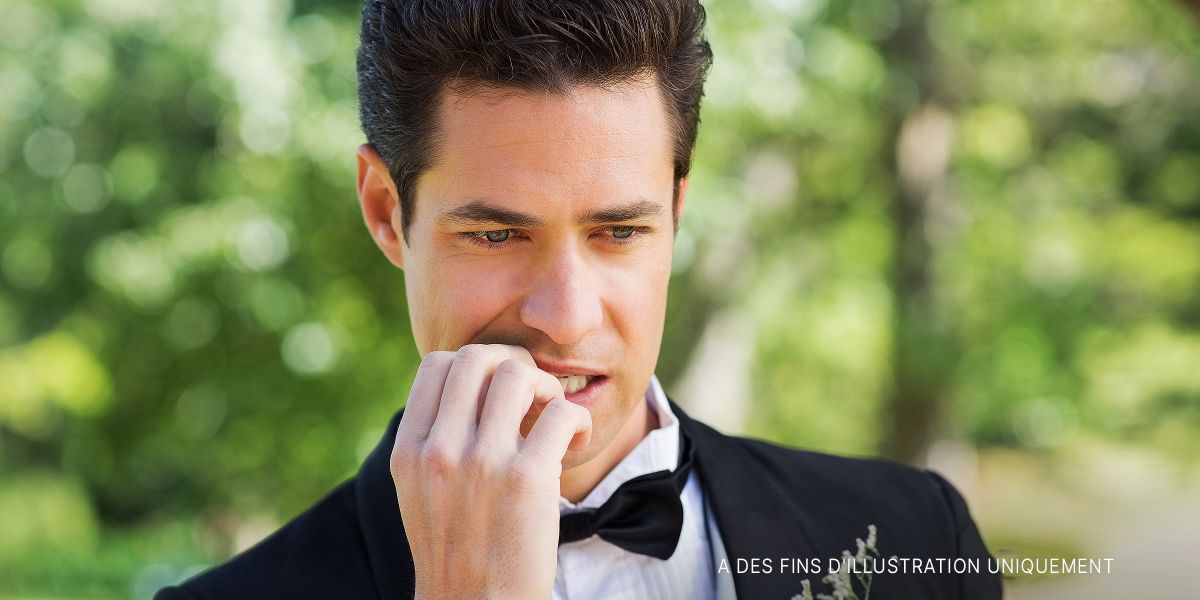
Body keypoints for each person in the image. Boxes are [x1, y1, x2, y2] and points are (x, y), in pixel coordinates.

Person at [156, 0, 1002, 598]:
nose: (565, 317)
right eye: (496, 235)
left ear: (675, 207)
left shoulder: (916, 538)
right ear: (387, 213)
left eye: (619, 233)